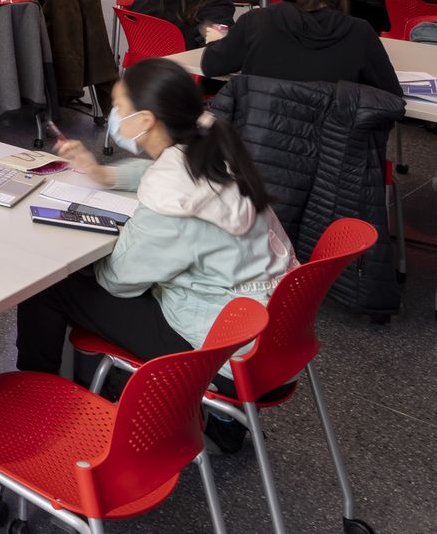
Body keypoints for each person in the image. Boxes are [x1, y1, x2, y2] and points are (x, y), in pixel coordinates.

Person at [15, 60, 294, 402]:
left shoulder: (171, 194)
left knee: (49, 287)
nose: (113, 115)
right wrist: (105, 175)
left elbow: (118, 281)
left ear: (145, 120)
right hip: (273, 339)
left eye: (118, 107)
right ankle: (220, 425)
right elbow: (162, 166)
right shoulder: (214, 146)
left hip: (222, 355)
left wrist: (90, 257)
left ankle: (32, 399)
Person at [201, 0, 395, 92]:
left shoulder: (257, 20)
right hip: (334, 139)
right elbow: (390, 91)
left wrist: (215, 41)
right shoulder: (359, 31)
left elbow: (212, 66)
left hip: (262, 136)